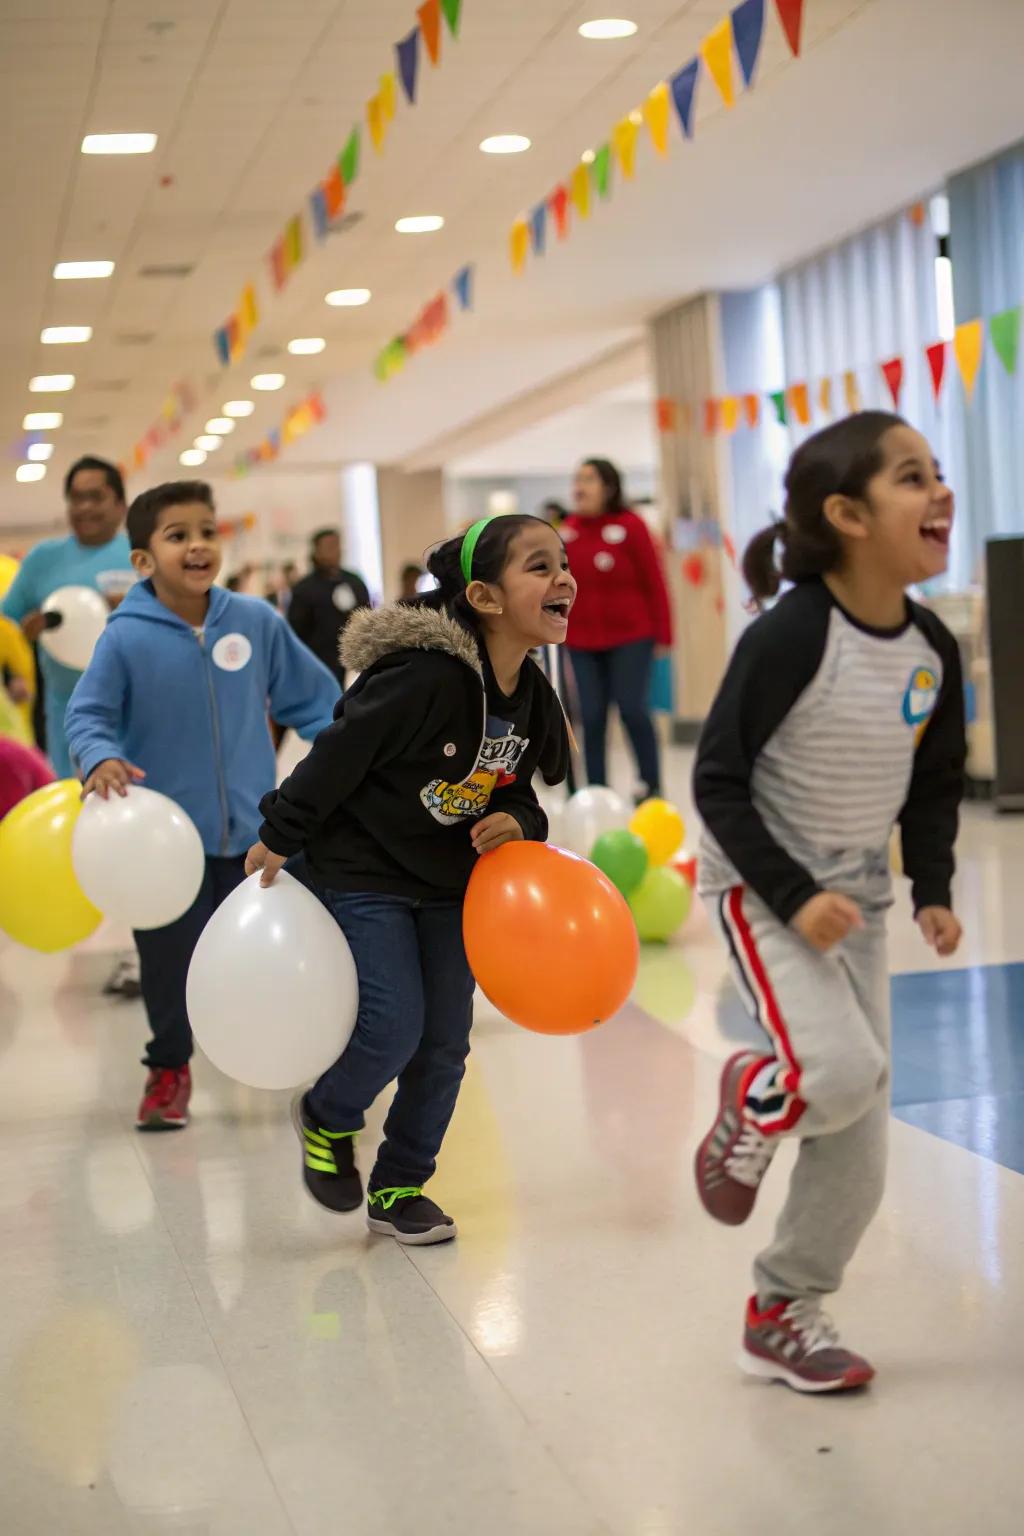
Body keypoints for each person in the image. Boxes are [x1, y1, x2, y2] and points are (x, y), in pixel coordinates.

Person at [692, 412, 965, 1393]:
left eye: (936, 473)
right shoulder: (793, 634)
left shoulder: (930, 645)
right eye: (909, 478)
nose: (937, 490)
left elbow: (935, 779)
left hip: (855, 902)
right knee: (838, 1072)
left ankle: (781, 1309)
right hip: (762, 887)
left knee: (859, 1140)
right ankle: (755, 1101)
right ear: (845, 514)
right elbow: (716, 781)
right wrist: (793, 892)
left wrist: (930, 887)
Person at [245, 514, 574, 1245]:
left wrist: (519, 822)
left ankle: (400, 1184)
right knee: (394, 1025)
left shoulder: (530, 693)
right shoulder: (423, 676)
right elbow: (340, 752)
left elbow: (522, 787)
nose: (563, 579)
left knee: (445, 1044)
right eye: (540, 566)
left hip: (451, 882)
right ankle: (328, 1115)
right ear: (485, 597)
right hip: (366, 869)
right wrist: (281, 829)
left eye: (563, 564)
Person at [65, 481, 340, 1132]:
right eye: (177, 535)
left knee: (269, 953)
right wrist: (100, 754)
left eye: (207, 531)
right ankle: (168, 1068)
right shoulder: (124, 638)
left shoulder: (256, 622)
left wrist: (345, 756)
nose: (197, 545)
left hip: (255, 833)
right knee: (167, 966)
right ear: (143, 560)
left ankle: (282, 1058)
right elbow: (90, 713)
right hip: (164, 849)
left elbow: (317, 702)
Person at [1, 457, 135, 777]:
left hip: (139, 708)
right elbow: (8, 621)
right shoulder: (42, 560)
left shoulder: (143, 553)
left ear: (120, 505)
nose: (85, 507)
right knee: (75, 807)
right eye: (76, 498)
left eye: (96, 497)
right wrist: (29, 633)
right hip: (67, 714)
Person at [562, 458, 672, 799]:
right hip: (581, 640)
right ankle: (597, 793)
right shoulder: (567, 531)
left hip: (632, 636)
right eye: (577, 479)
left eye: (589, 479)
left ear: (608, 487)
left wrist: (665, 634)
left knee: (632, 709)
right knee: (591, 716)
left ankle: (650, 786)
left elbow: (655, 582)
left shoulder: (632, 525)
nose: (580, 486)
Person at [287, 529, 371, 690]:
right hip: (318, 662)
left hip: (354, 658)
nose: (336, 550)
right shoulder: (304, 589)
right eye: (329, 546)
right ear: (316, 552)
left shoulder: (354, 582)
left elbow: (367, 616)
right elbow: (296, 630)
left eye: (337, 545)